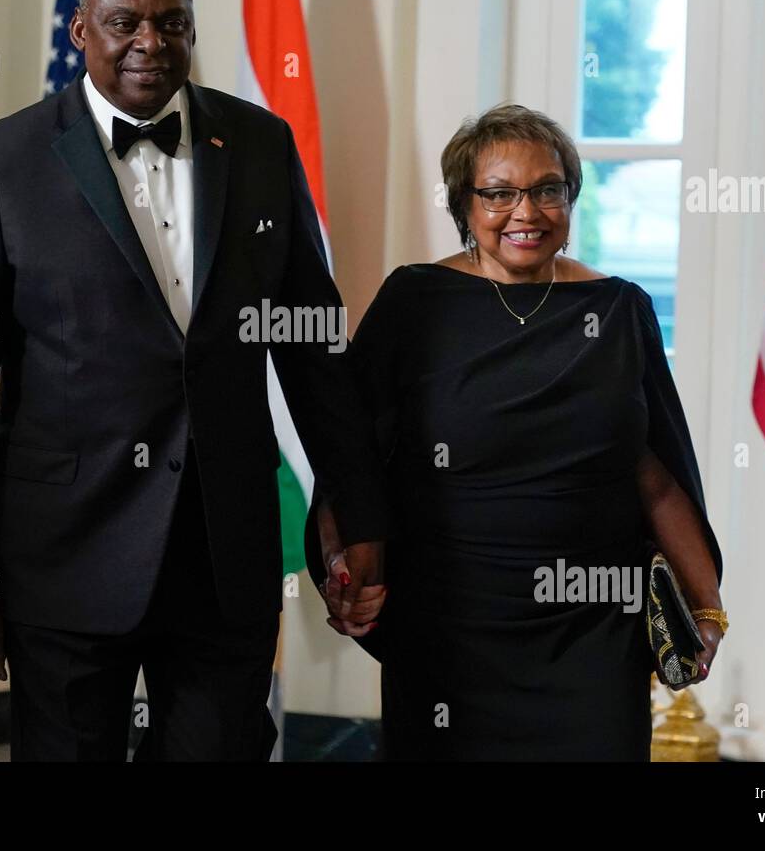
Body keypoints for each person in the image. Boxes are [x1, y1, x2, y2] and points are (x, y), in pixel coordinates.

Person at [0, 0, 386, 761]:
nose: (150, 44)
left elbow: (312, 347)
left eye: (172, 24)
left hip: (225, 557)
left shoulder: (263, 146)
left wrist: (356, 510)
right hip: (61, 556)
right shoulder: (2, 161)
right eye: (125, 23)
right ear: (80, 28)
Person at [308, 103, 725, 760]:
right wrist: (340, 560)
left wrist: (706, 607)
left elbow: (656, 477)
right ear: (463, 204)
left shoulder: (620, 310)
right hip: (449, 630)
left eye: (547, 190)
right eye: (499, 193)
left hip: (593, 632)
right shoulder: (414, 302)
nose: (526, 213)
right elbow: (350, 458)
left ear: (570, 197)